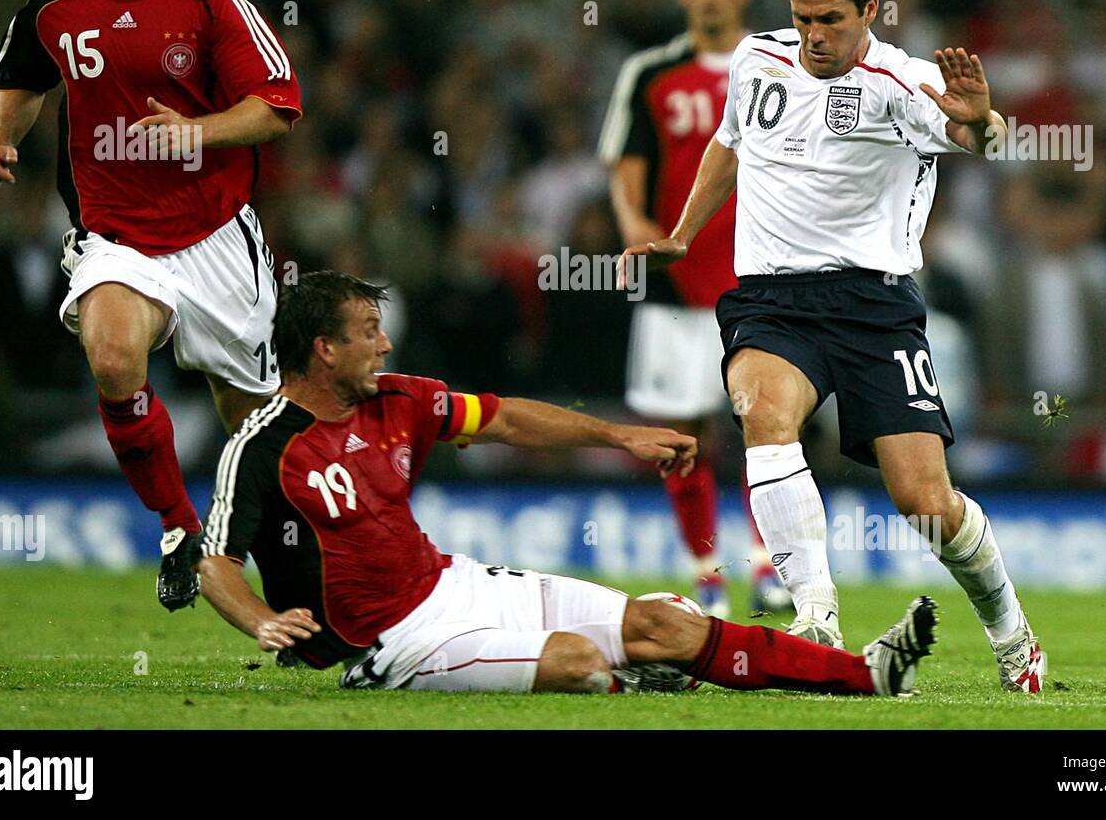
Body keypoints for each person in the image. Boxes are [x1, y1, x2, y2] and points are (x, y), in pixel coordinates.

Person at [620, 0, 1045, 692]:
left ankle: (1014, 633)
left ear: (872, 9)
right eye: (803, 15)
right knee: (762, 411)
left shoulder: (904, 80)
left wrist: (982, 117)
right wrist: (683, 232)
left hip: (872, 303)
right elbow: (729, 142)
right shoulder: (757, 58)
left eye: (832, 20)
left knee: (924, 501)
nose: (814, 35)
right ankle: (814, 614)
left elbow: (982, 137)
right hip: (771, 298)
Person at [197, 270, 937, 697]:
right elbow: (215, 564)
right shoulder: (264, 446)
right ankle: (660, 679)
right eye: (368, 329)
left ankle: (865, 674)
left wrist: (620, 435)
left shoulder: (402, 398)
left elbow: (508, 419)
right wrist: (261, 619)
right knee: (581, 662)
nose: (385, 342)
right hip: (391, 644)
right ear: (325, 349)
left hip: (459, 584)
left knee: (667, 625)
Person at [0, 0, 302, 610]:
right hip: (115, 236)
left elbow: (279, 108)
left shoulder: (212, 3)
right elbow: (24, 81)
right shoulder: (56, 7)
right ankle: (178, 529)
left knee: (249, 419)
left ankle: (295, 568)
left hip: (214, 235)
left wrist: (201, 130)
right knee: (115, 358)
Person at [599, 0, 790, 618]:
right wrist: (632, 225)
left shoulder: (777, 61)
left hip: (760, 274)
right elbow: (626, 166)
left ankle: (770, 565)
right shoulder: (651, 73)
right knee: (682, 435)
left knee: (766, 423)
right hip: (675, 282)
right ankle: (706, 568)